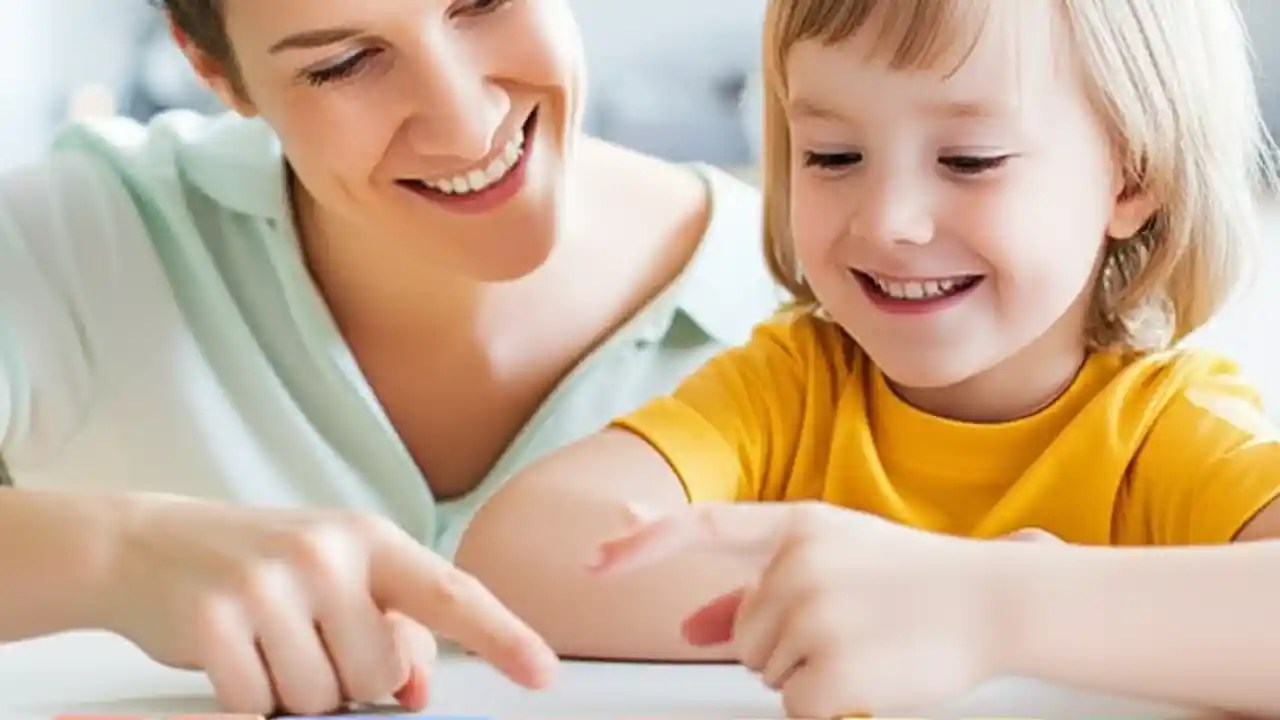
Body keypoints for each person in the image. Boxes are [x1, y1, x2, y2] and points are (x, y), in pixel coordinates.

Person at [452, 0, 1280, 716]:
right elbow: (520, 551)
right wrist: (832, 609)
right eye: (833, 157)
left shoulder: (1168, 430)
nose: (888, 221)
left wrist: (990, 609)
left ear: (1130, 179)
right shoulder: (792, 387)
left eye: (970, 161)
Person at [0, 0, 781, 715]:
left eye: (484, 2)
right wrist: (116, 555)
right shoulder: (68, 241)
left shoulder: (825, 299)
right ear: (216, 72)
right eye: (341, 63)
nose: (465, 125)